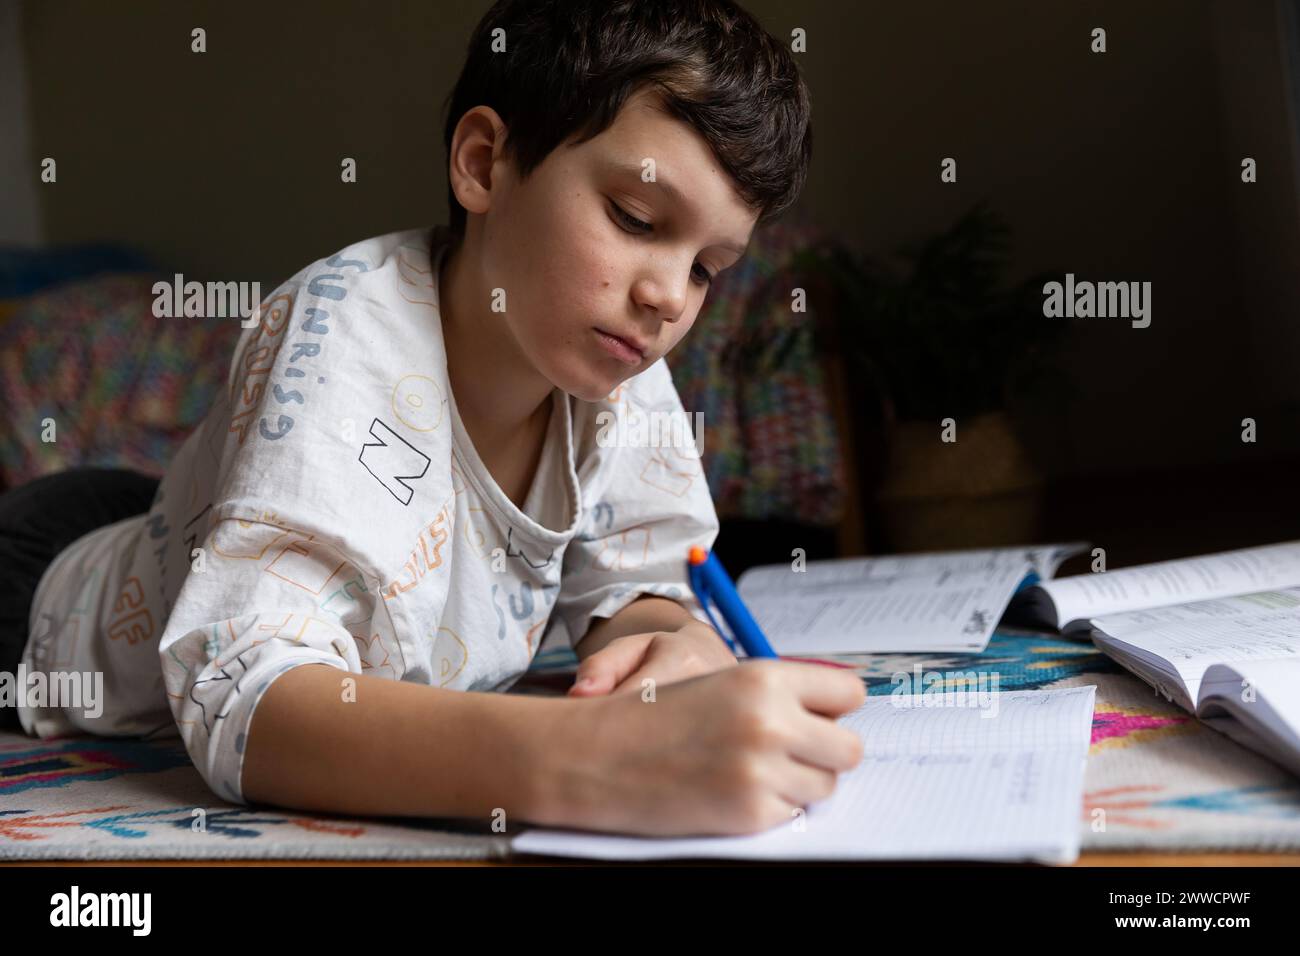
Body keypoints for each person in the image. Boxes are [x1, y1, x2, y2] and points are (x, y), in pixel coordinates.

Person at [0, 0, 864, 838]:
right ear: (484, 163)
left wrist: (670, 644)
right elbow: (243, 698)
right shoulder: (341, 328)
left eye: (708, 267)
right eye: (635, 218)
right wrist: (593, 757)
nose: (668, 297)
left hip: (166, 526)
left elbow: (636, 585)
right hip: (46, 589)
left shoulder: (621, 364)